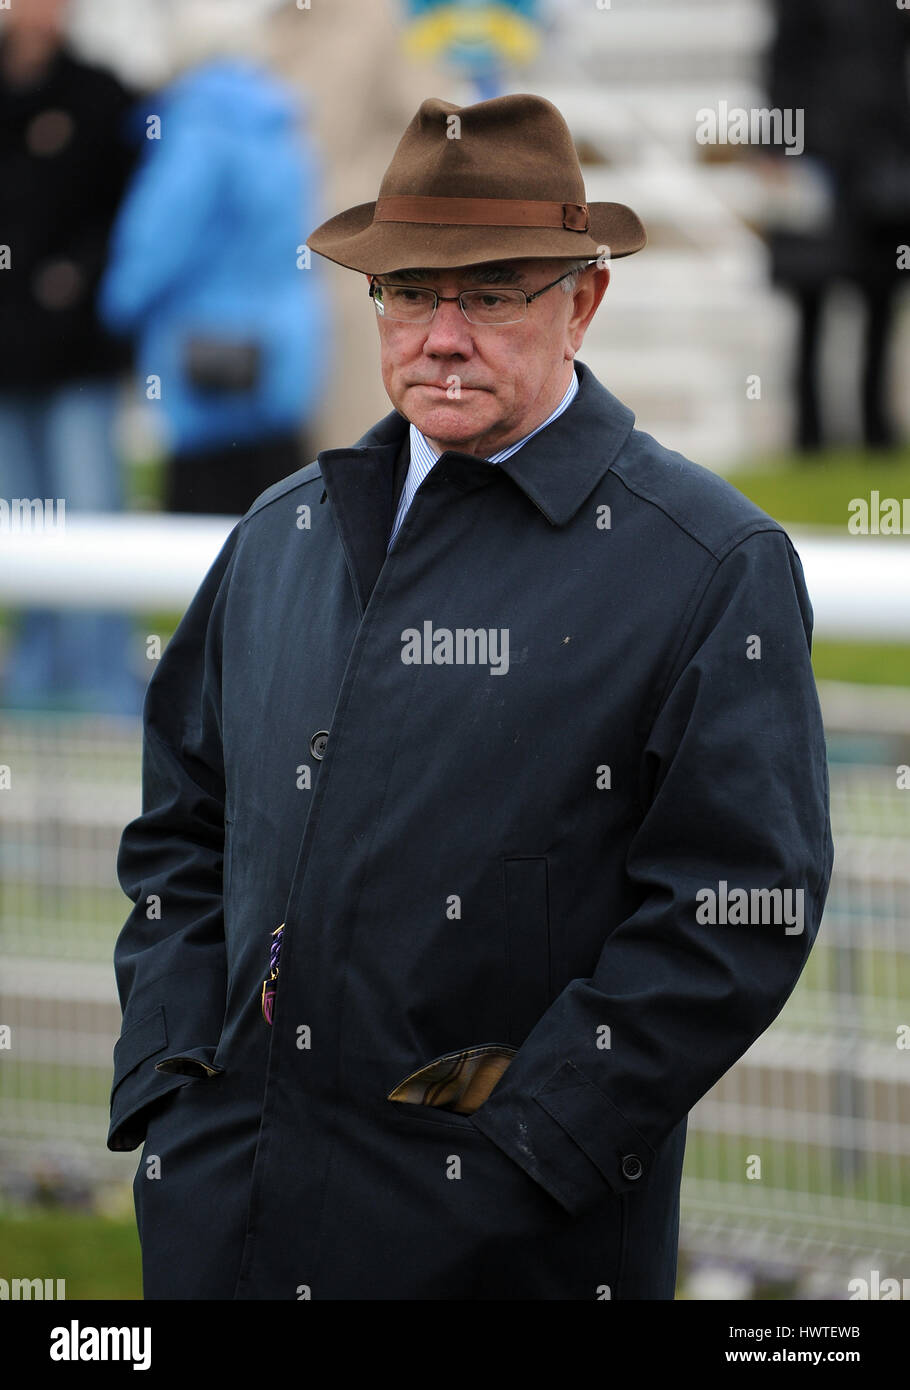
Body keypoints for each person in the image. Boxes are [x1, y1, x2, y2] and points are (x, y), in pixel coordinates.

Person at [108, 93, 834, 1300]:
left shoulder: (708, 561)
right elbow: (183, 827)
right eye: (406, 290)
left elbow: (734, 910)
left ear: (582, 301)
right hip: (228, 1228)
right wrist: (175, 1084)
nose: (442, 333)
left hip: (511, 1257)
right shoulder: (282, 531)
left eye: (490, 292)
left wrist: (523, 1150)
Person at [0, 0, 141, 715]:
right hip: (7, 363)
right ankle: (36, 680)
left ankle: (106, 685)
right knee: (25, 524)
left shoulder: (100, 93)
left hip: (78, 358)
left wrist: (76, 278)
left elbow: (128, 215)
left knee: (91, 516)